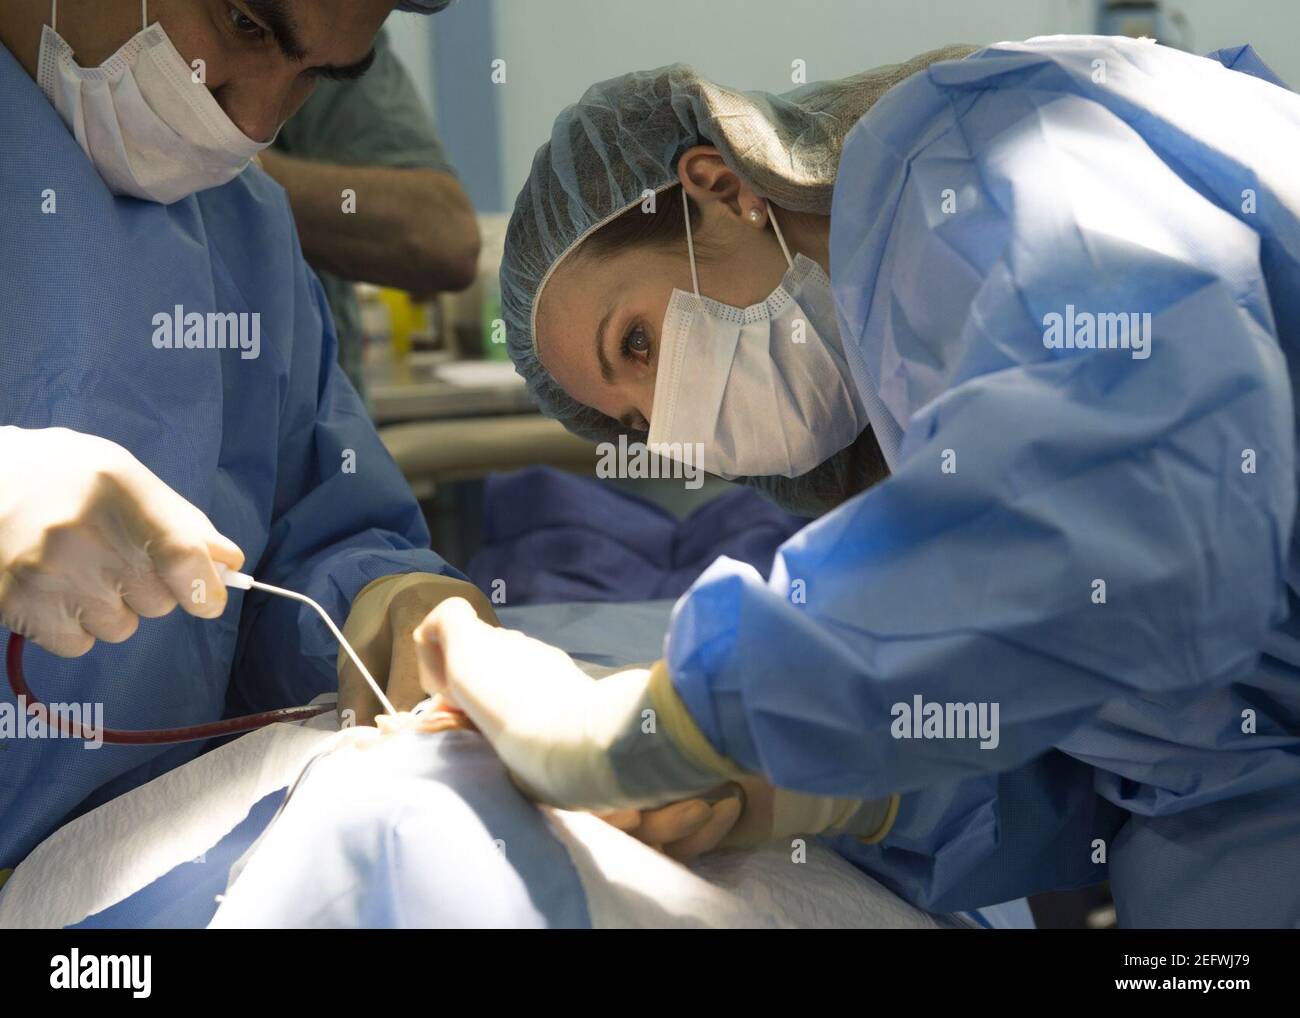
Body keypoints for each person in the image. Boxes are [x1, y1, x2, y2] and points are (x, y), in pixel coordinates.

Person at [414, 37, 1300, 927]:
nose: (673, 428)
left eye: (637, 342)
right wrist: (814, 797)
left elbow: (1139, 505)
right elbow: (1114, 718)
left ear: (718, 189)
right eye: (638, 426)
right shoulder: (909, 384)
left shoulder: (989, 158)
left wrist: (675, 718)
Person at [0, 0, 494, 871]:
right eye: (247, 25)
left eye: (314, 78)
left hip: (127, 876)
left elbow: (309, 525)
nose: (258, 121)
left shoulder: (245, 228)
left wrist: (385, 604)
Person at [259, 26, 478, 398]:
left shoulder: (314, 26)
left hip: (297, 428)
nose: (249, 123)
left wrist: (233, 166)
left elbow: (442, 236)